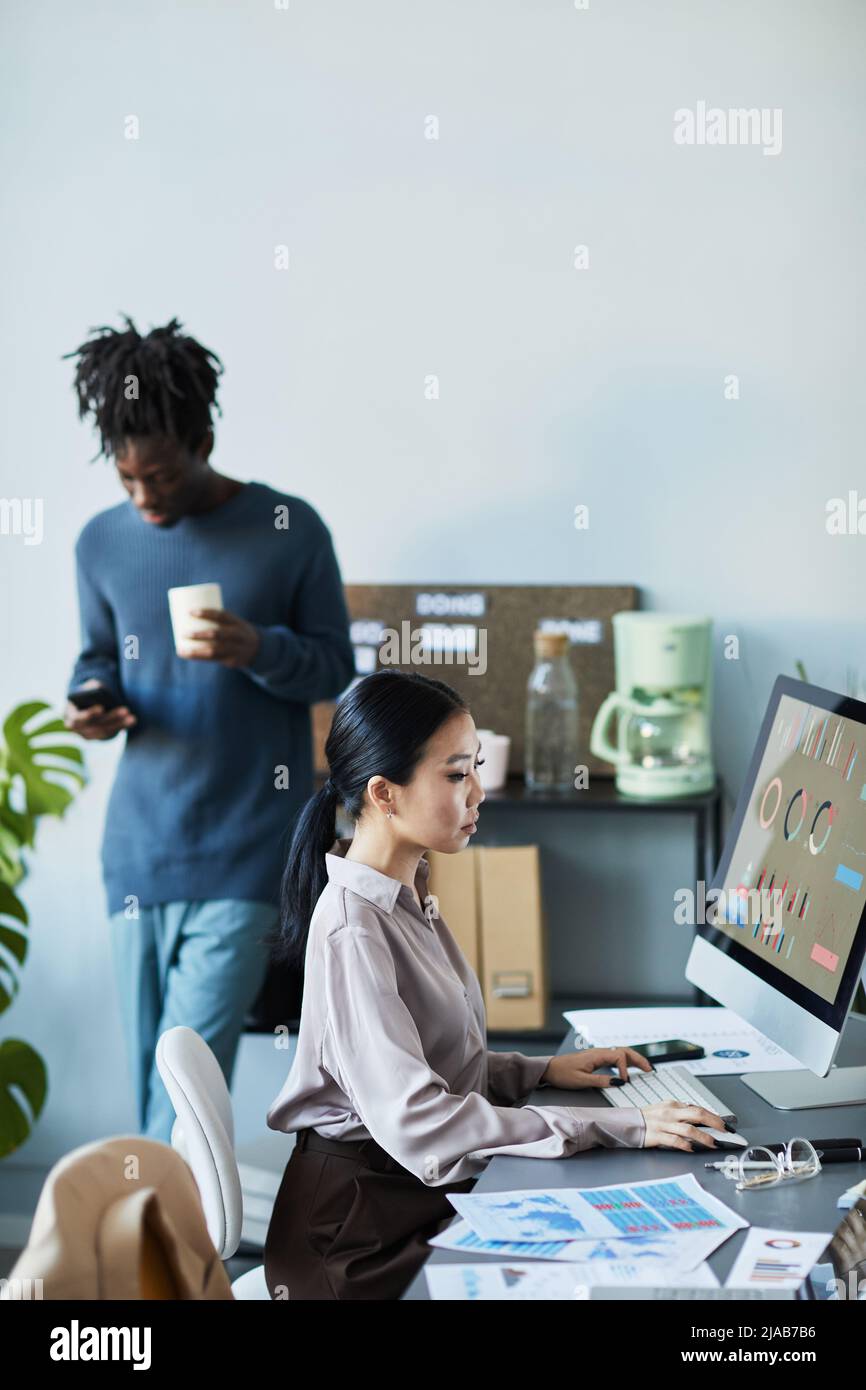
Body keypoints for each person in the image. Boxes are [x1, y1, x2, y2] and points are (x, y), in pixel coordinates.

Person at [264, 669, 728, 1300]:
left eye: (475, 767)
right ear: (385, 793)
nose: (478, 792)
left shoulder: (407, 895)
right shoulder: (354, 928)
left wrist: (537, 1072)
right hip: (357, 1239)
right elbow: (419, 1120)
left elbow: (431, 1061)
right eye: (455, 775)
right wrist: (619, 1126)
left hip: (408, 1196)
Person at [62, 314, 356, 1143]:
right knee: (151, 1077)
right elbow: (95, 660)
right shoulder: (101, 543)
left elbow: (335, 667)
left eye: (158, 476)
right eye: (127, 481)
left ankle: (141, 1250)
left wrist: (258, 647)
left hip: (248, 848)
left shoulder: (288, 529)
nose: (144, 498)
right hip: (137, 850)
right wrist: (92, 700)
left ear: (204, 438)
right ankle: (168, 1246)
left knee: (188, 1076)